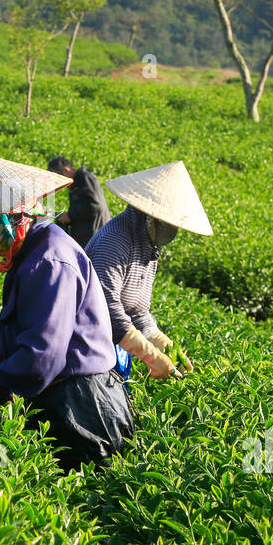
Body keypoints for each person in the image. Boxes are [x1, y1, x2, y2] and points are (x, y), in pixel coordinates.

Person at [0, 152, 134, 472]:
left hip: (81, 407)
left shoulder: (49, 259)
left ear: (8, 218)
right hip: (63, 397)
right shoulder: (33, 252)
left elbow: (43, 355)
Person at [85, 160, 212, 381]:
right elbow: (105, 309)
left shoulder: (148, 247)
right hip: (86, 352)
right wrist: (150, 356)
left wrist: (164, 345)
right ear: (148, 215)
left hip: (111, 351)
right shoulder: (115, 242)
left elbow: (138, 312)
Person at [47, 155, 110, 248]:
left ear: (66, 170)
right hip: (87, 237)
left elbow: (94, 206)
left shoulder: (84, 178)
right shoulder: (77, 182)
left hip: (93, 238)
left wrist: (70, 215)